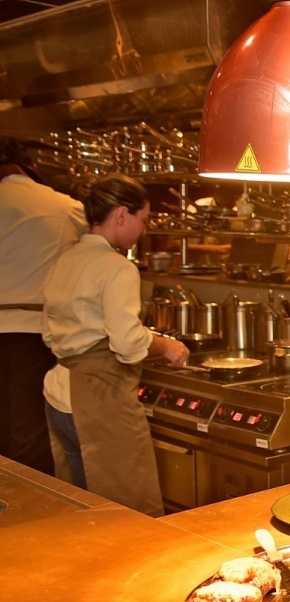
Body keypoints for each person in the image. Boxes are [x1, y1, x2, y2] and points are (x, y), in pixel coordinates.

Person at [42, 173, 189, 516]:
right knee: (126, 510)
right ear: (122, 214)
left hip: (58, 395)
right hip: (97, 401)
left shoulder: (65, 258)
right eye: (144, 220)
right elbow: (127, 343)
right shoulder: (117, 267)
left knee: (82, 508)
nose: (145, 230)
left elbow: (47, 332)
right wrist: (165, 345)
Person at [0, 139, 87, 475]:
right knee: (30, 435)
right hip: (31, 334)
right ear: (31, 169)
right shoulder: (64, 207)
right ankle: (38, 519)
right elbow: (94, 256)